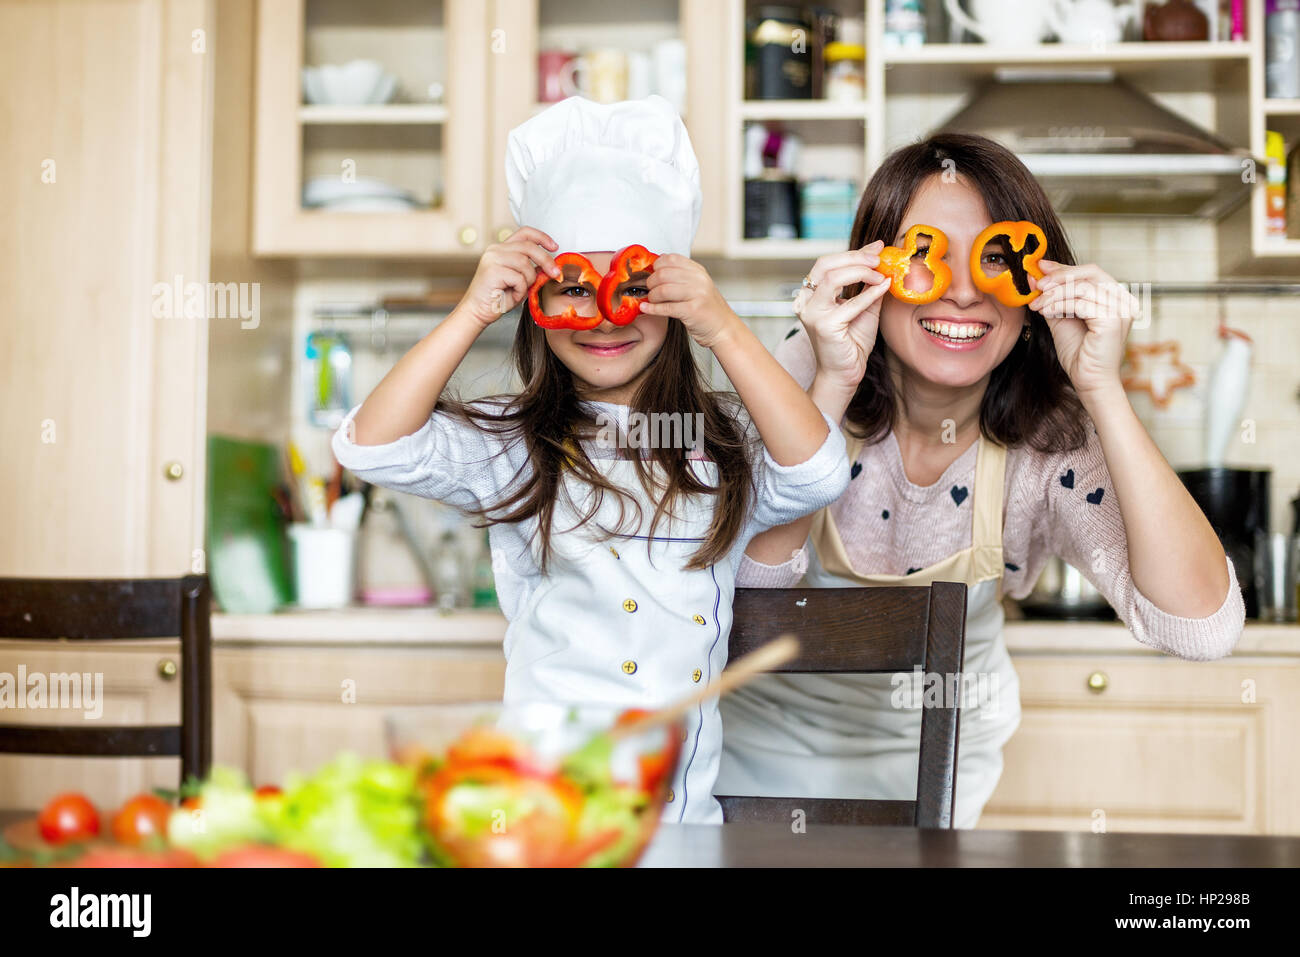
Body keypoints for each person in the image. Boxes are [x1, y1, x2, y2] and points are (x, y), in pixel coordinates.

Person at [329, 95, 849, 824]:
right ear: (535, 304)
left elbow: (819, 473)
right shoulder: (512, 443)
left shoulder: (723, 442)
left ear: (674, 299)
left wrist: (723, 327)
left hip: (678, 826)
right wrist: (473, 309)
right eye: (574, 289)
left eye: (634, 288)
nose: (606, 315)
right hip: (541, 815)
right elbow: (369, 446)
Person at [717, 133, 1245, 828]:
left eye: (995, 258)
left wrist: (1101, 389)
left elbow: (1203, 630)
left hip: (942, 766)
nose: (965, 292)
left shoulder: (1049, 438)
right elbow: (734, 602)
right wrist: (832, 384)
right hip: (752, 756)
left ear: (1033, 286)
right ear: (874, 270)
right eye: (929, 257)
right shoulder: (796, 376)